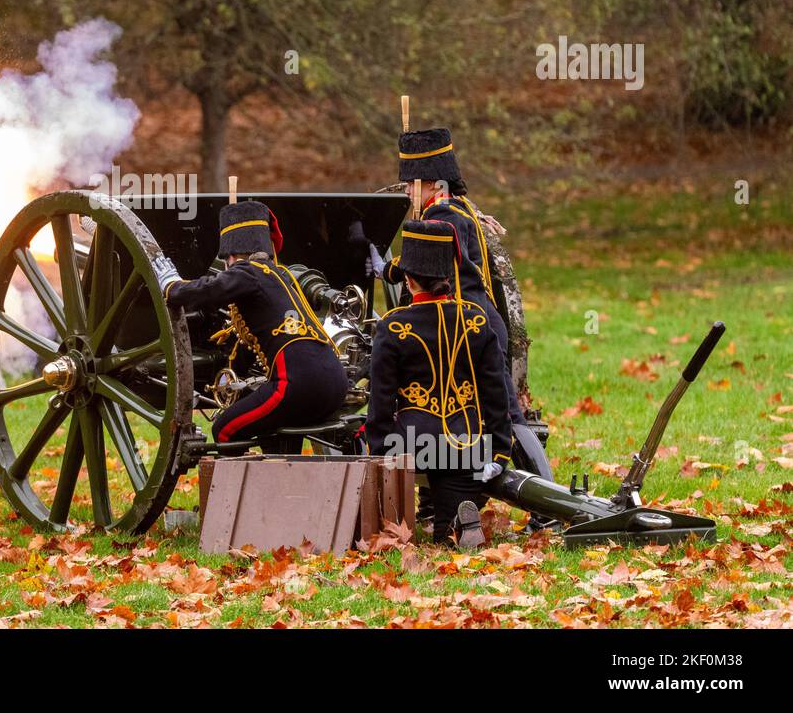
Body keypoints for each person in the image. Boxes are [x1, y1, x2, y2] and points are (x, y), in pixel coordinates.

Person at [151, 200, 349, 450]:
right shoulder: (283, 275)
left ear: (231, 256)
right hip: (336, 383)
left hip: (296, 385)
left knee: (223, 429)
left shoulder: (245, 271)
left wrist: (172, 285)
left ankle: (237, 490)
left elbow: (206, 291)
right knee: (278, 434)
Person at [366, 220, 513, 547]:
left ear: (408, 279)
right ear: (448, 277)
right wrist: (500, 451)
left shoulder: (392, 326)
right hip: (467, 445)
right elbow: (495, 392)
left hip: (412, 445)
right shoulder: (476, 318)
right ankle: (455, 522)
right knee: (450, 518)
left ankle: (446, 521)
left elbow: (380, 402)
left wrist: (379, 453)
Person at [383, 127, 525, 424]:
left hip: (471, 327)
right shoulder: (455, 207)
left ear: (433, 184)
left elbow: (424, 259)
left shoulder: (444, 215)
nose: (407, 191)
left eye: (411, 184)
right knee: (500, 415)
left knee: (508, 418)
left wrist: (388, 269)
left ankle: (531, 470)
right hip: (475, 323)